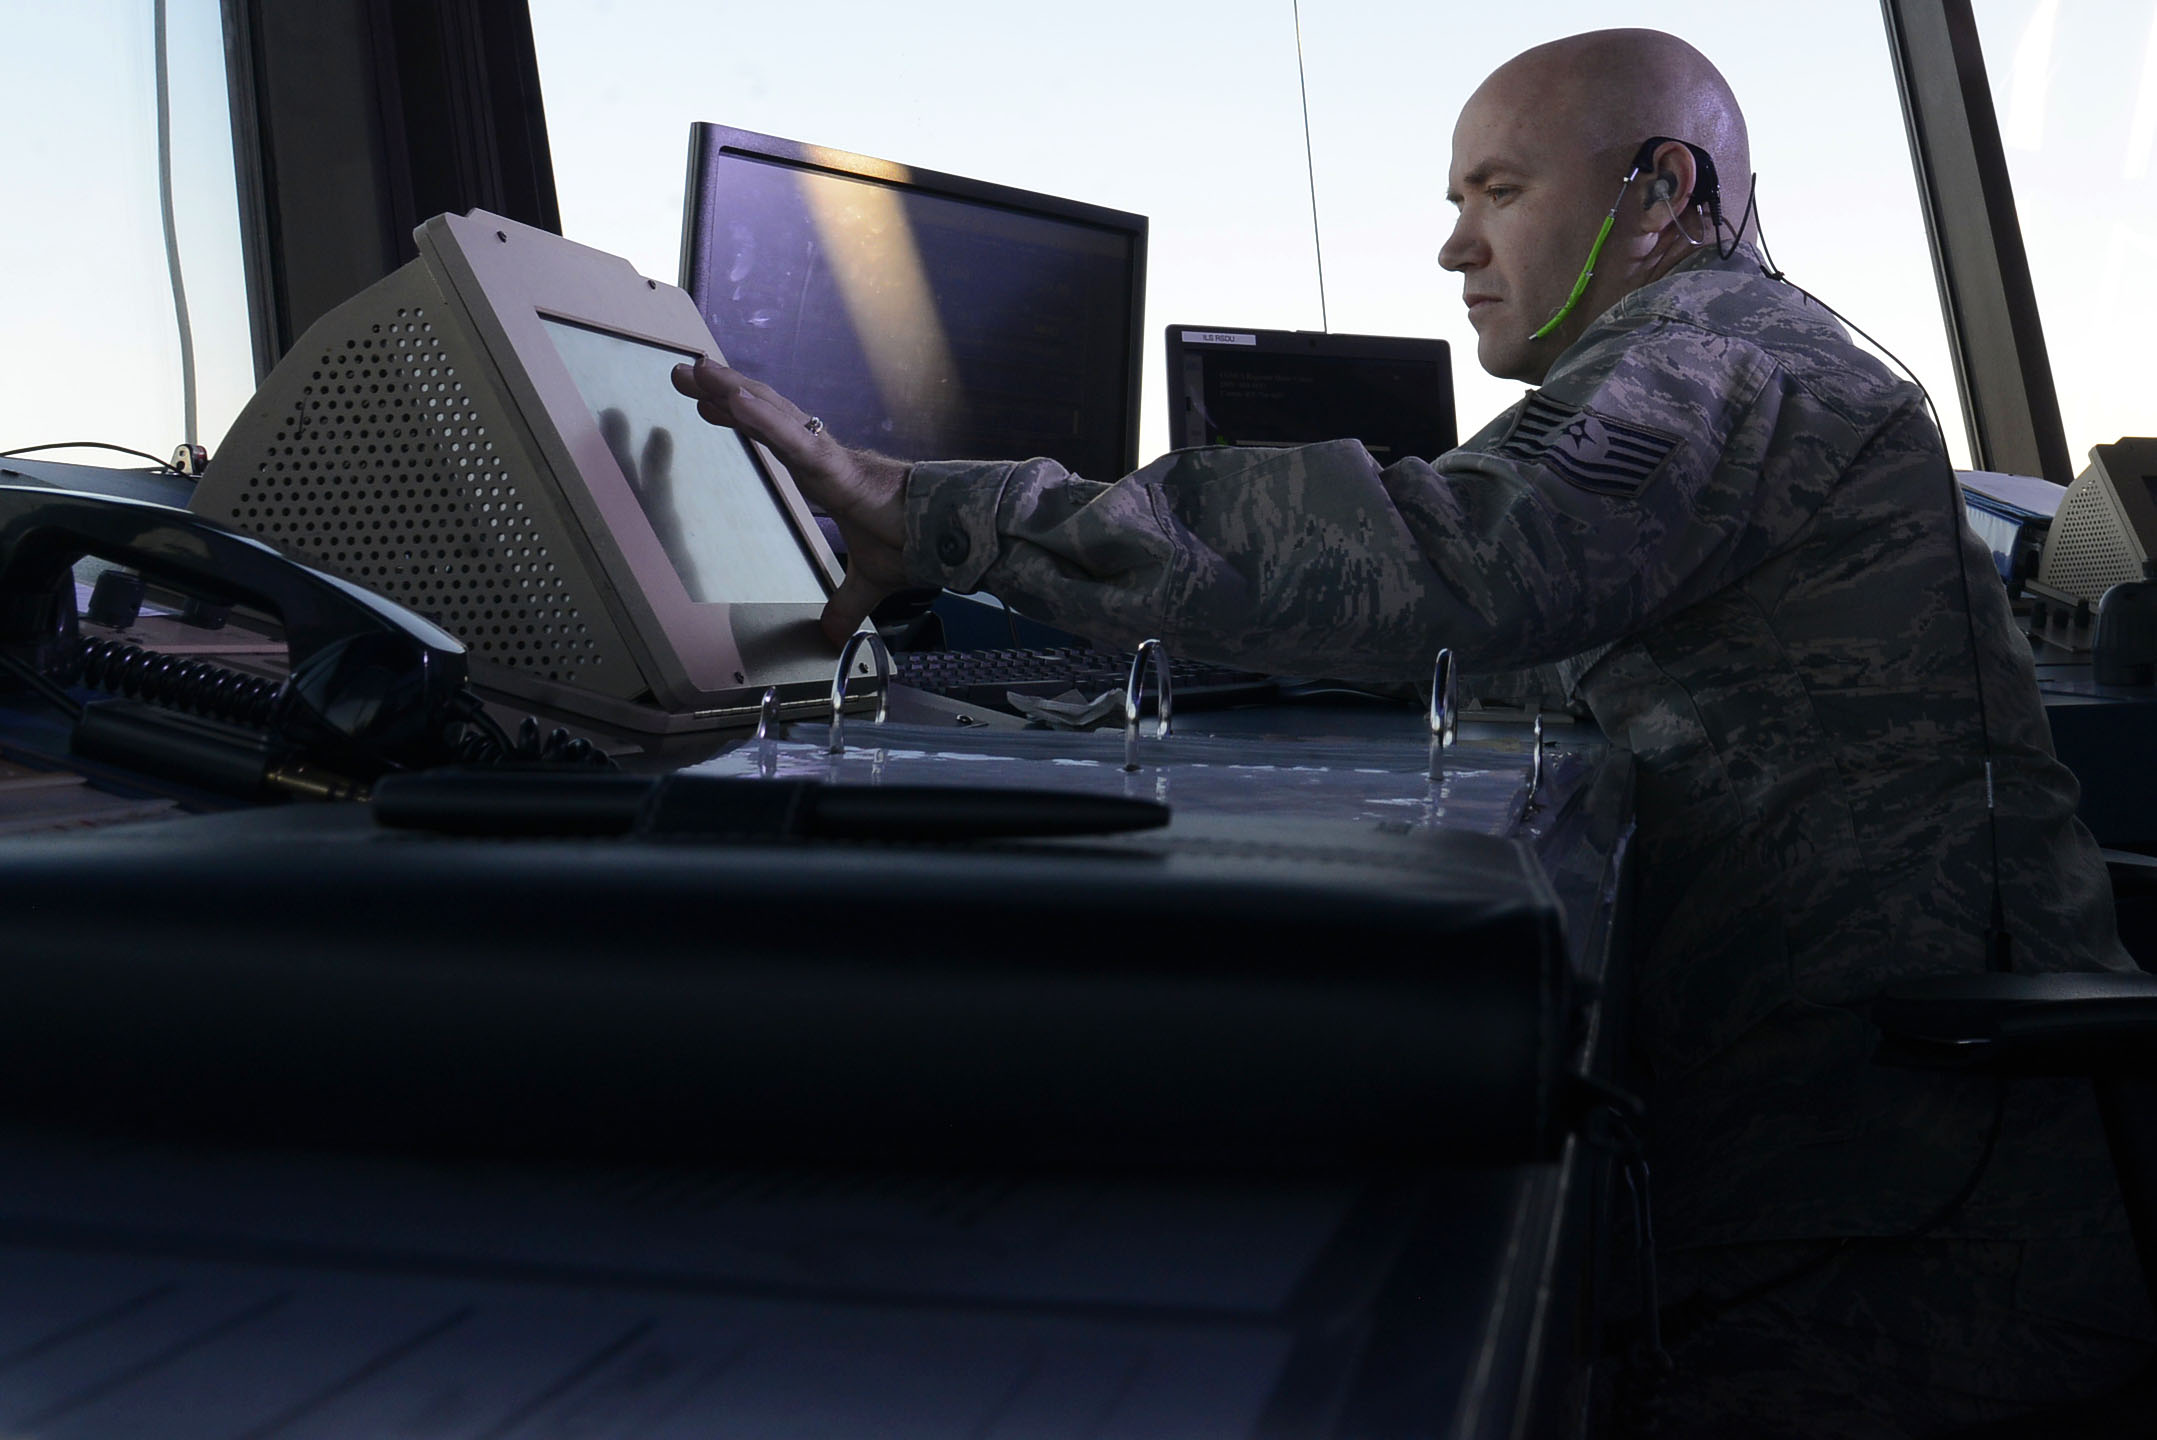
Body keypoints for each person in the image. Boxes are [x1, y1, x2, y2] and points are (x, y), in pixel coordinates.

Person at [676, 28, 2154, 1435]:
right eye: (1459, 201)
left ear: (1662, 189)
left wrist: (943, 512)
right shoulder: (1716, 361)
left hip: (1898, 1245)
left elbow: (1465, 555)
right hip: (1823, 1165)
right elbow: (1514, 636)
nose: (1456, 247)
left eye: (1499, 193)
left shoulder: (1722, 355)